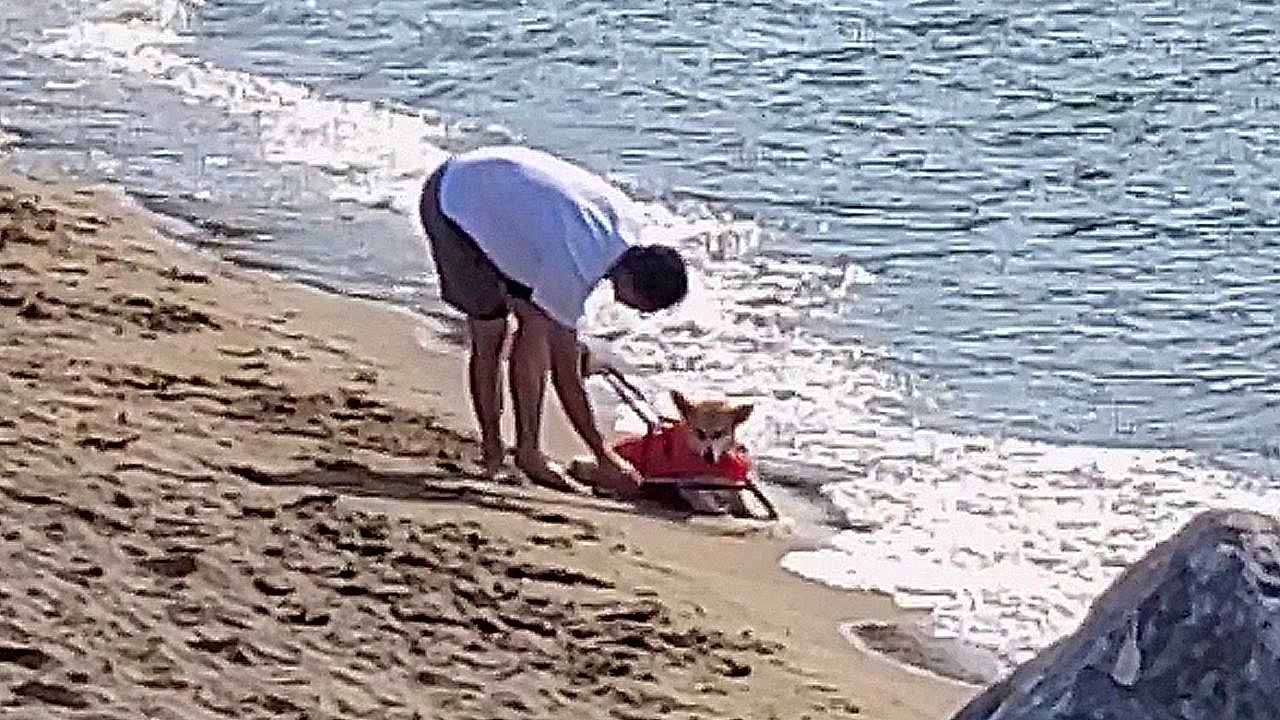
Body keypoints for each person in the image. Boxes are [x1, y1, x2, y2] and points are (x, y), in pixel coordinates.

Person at [418, 145, 689, 492]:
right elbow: (566, 377)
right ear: (633, 285)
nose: (636, 313)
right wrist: (606, 457)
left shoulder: (628, 227)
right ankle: (496, 453)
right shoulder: (576, 263)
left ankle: (527, 451)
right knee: (491, 332)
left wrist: (576, 348)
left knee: (537, 325)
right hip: (453, 201)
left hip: (503, 195)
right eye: (642, 307)